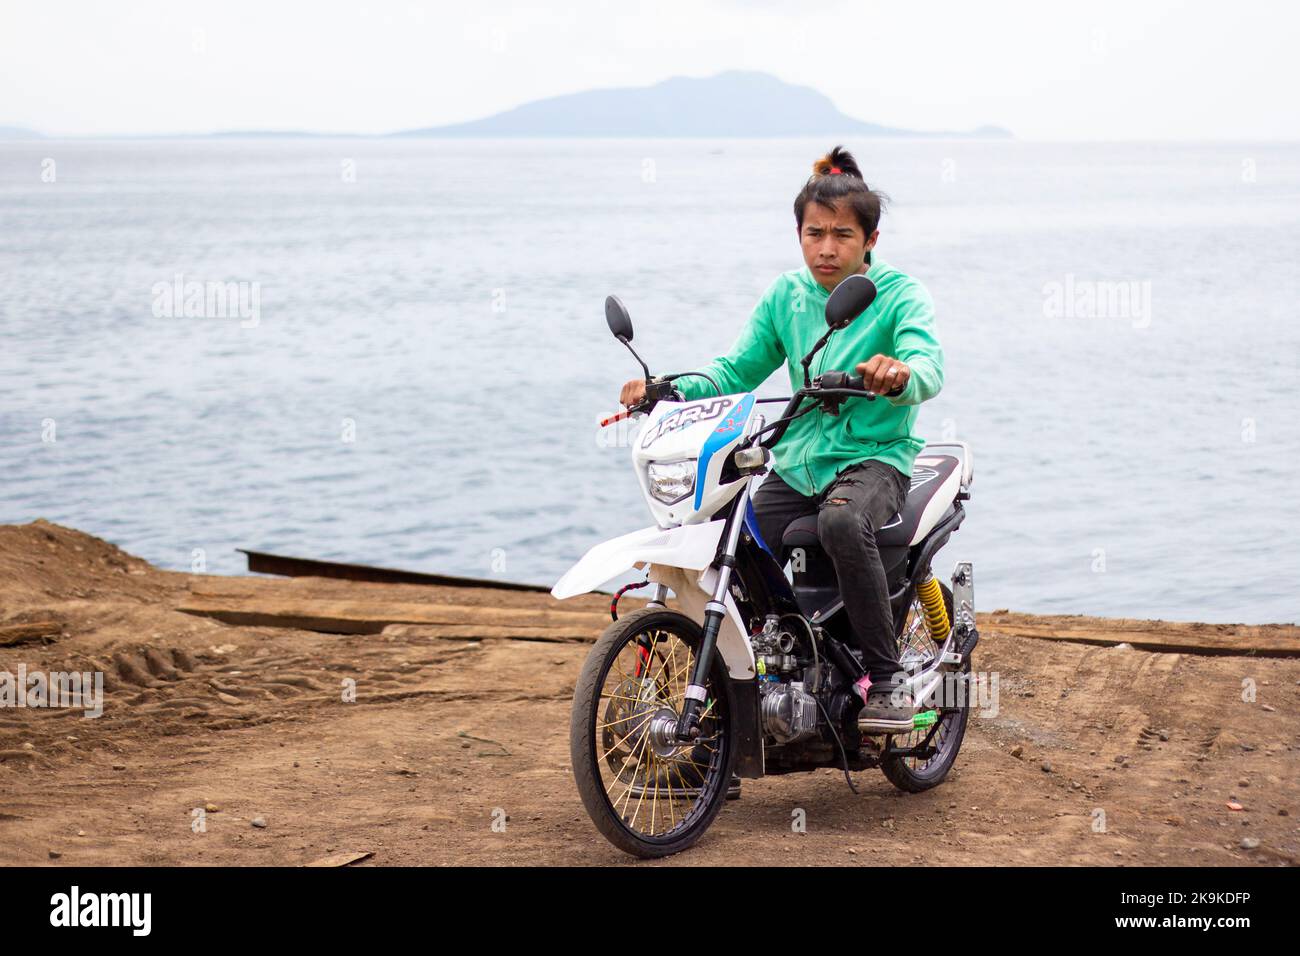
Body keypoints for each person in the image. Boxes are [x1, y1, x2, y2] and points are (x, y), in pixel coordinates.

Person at [618, 146, 944, 727]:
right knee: (728, 536)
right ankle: (760, 681)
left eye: (842, 234)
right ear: (798, 235)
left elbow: (927, 368)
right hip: (797, 463)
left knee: (841, 521)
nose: (826, 247)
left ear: (870, 238)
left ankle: (888, 677)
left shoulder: (900, 295)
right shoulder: (785, 296)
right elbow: (734, 372)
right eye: (813, 233)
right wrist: (663, 388)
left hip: (874, 459)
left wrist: (898, 375)